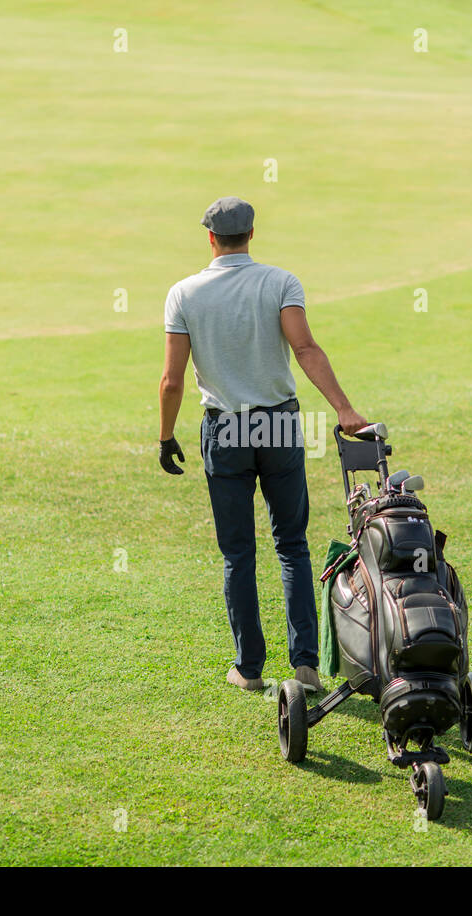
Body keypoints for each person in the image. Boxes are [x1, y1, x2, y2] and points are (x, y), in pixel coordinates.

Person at [157, 197, 367, 692]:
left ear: (210, 238)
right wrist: (344, 409)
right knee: (292, 546)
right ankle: (306, 666)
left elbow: (171, 380)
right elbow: (305, 348)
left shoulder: (183, 293)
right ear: (251, 234)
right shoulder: (280, 282)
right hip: (277, 425)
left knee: (238, 554)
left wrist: (166, 437)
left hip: (225, 430)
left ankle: (249, 669)